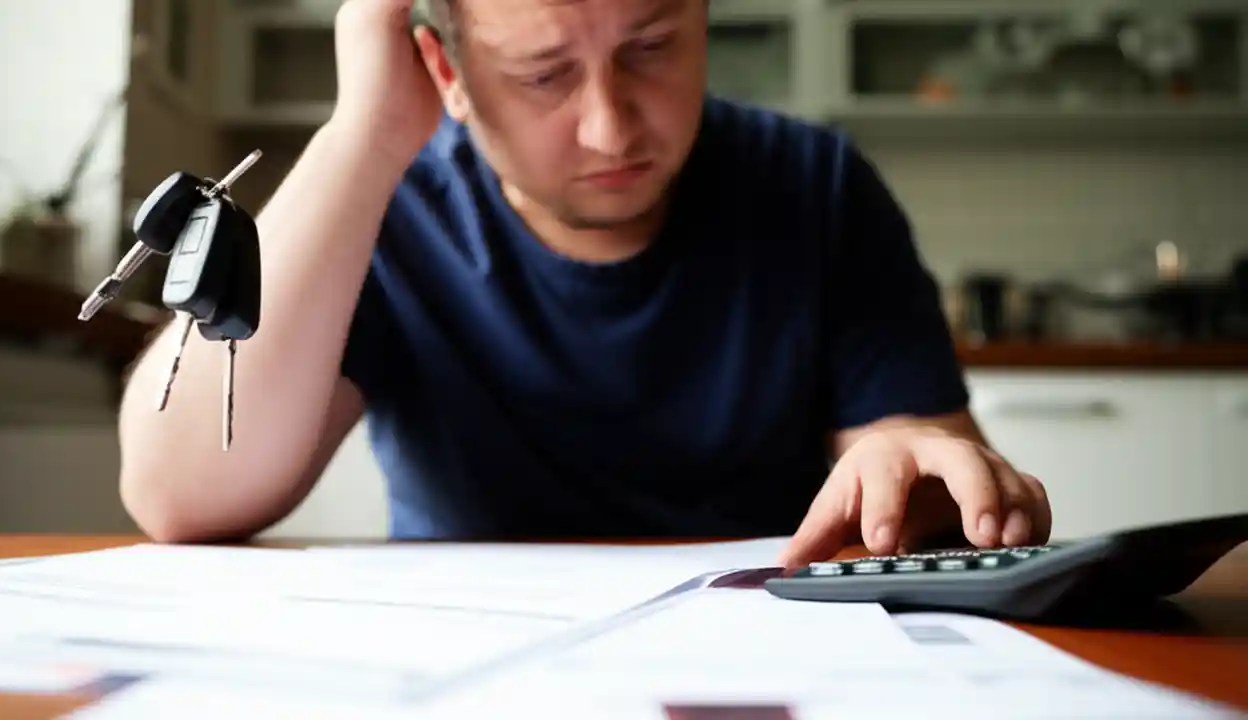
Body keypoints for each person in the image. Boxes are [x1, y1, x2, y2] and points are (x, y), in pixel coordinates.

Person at [116, 0, 1052, 568]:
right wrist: (361, 133)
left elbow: (920, 483)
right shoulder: (385, 208)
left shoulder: (817, 187)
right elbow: (180, 496)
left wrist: (921, 479)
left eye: (651, 48)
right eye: (542, 74)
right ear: (446, 68)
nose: (611, 129)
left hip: (760, 661)